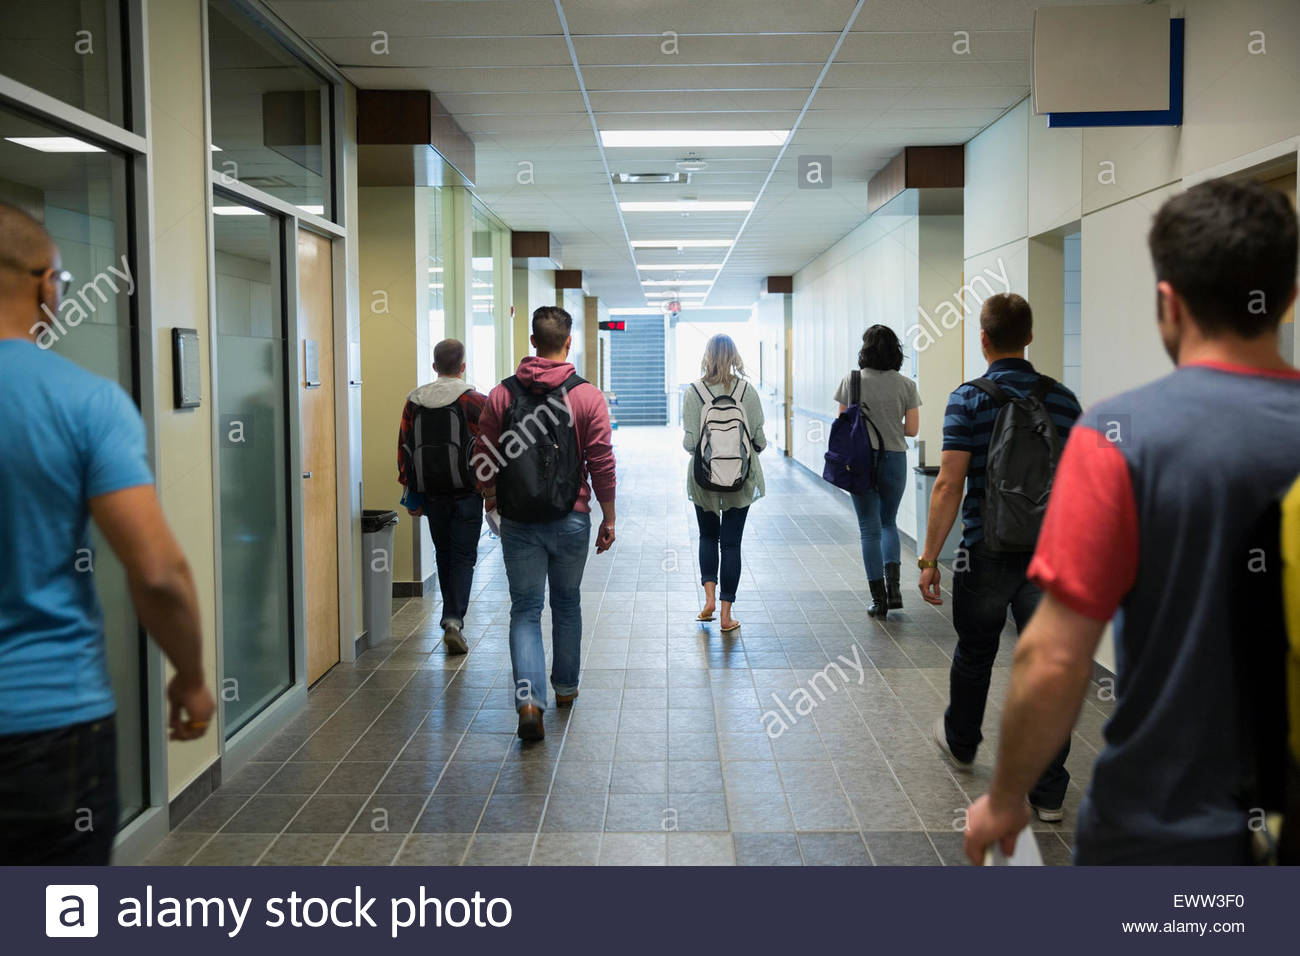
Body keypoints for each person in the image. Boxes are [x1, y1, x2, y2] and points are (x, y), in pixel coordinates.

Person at [964, 179, 1300, 865]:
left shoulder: (1123, 436)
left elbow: (1054, 656)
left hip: (1161, 833)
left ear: (1168, 302)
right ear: (1287, 299)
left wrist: (1005, 797)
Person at [0, 203, 214, 865]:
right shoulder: (82, 401)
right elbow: (156, 571)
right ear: (45, 285)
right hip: (44, 725)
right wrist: (190, 675)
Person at [918, 292, 1081, 822]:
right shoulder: (1062, 401)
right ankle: (1049, 790)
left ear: (983, 339)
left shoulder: (967, 399)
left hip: (983, 551)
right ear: (1029, 337)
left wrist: (928, 558)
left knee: (975, 652)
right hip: (1049, 554)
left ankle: (963, 741)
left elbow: (948, 484)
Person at [476, 306, 616, 741]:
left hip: (519, 521)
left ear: (533, 342)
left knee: (525, 610)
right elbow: (602, 462)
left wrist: (492, 499)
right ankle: (566, 688)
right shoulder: (587, 396)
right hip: (572, 518)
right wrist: (608, 516)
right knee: (567, 602)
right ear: (568, 341)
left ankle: (530, 702)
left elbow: (482, 457)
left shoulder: (502, 395)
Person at [397, 338, 487, 654]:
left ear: (435, 367)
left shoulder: (414, 401)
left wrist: (411, 493)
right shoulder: (475, 401)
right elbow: (491, 449)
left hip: (432, 493)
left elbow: (404, 447)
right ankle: (453, 620)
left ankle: (451, 617)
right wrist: (491, 490)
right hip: (467, 494)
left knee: (443, 554)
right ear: (463, 367)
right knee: (464, 557)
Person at [833, 325, 921, 618]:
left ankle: (878, 600)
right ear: (896, 351)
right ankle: (895, 590)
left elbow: (842, 423)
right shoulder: (906, 385)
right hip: (895, 458)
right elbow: (912, 429)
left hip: (860, 461)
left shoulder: (853, 380)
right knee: (889, 523)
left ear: (865, 349)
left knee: (868, 529)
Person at [683, 333, 767, 632]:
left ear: (707, 355)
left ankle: (707, 600)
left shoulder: (694, 392)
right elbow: (759, 439)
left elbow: (690, 442)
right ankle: (726, 614)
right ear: (734, 356)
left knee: (708, 538)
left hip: (704, 480)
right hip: (741, 481)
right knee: (731, 544)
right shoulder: (747, 391)